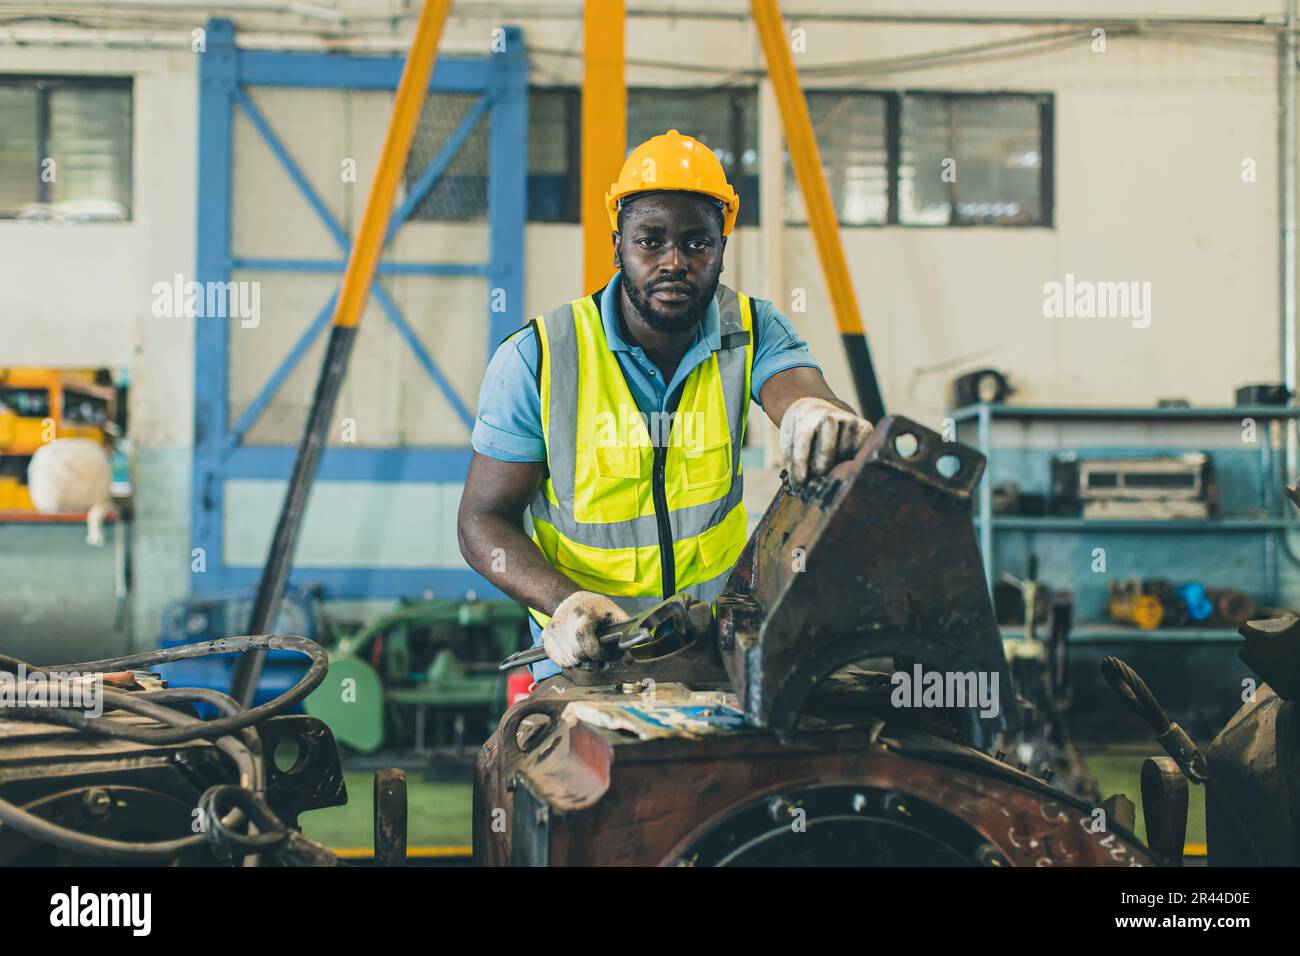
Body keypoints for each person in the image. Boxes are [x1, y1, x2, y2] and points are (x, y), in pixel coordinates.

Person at [458, 129, 872, 680]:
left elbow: (801, 391)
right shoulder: (539, 358)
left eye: (697, 243)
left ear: (722, 247)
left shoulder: (750, 329)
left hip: (714, 647)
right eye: (650, 240)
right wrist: (565, 604)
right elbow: (482, 520)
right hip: (590, 654)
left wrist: (817, 415)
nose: (674, 261)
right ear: (618, 246)